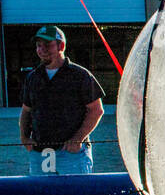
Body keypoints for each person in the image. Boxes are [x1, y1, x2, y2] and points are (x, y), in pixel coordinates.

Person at [19, 25, 106, 176]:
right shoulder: (33, 77)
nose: (42, 49)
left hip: (72, 155)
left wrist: (78, 138)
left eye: (47, 45)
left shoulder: (80, 75)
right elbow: (26, 110)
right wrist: (24, 137)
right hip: (41, 153)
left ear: (62, 46)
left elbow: (96, 110)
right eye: (39, 45)